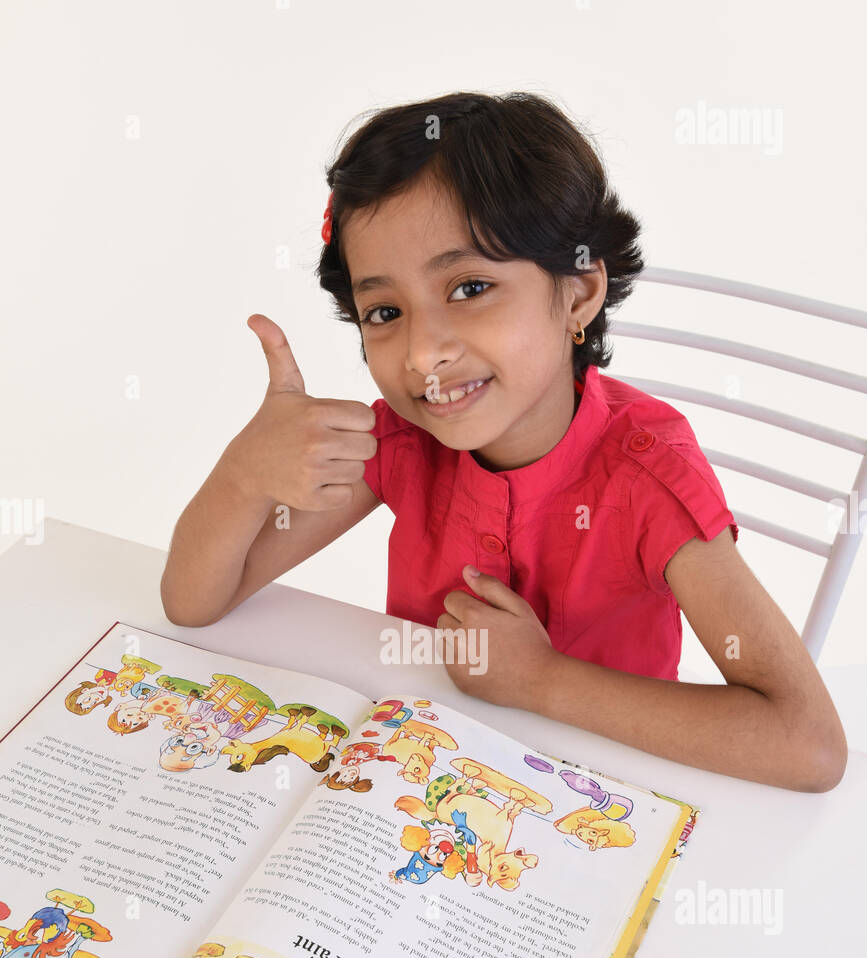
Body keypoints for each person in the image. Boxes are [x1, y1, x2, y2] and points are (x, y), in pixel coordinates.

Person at [160, 91, 847, 793]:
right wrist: (242, 475)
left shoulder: (648, 478)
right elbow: (195, 602)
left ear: (578, 294)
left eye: (470, 287)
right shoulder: (406, 437)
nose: (424, 353)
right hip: (428, 769)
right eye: (385, 311)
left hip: (600, 790)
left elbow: (808, 745)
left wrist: (541, 681)